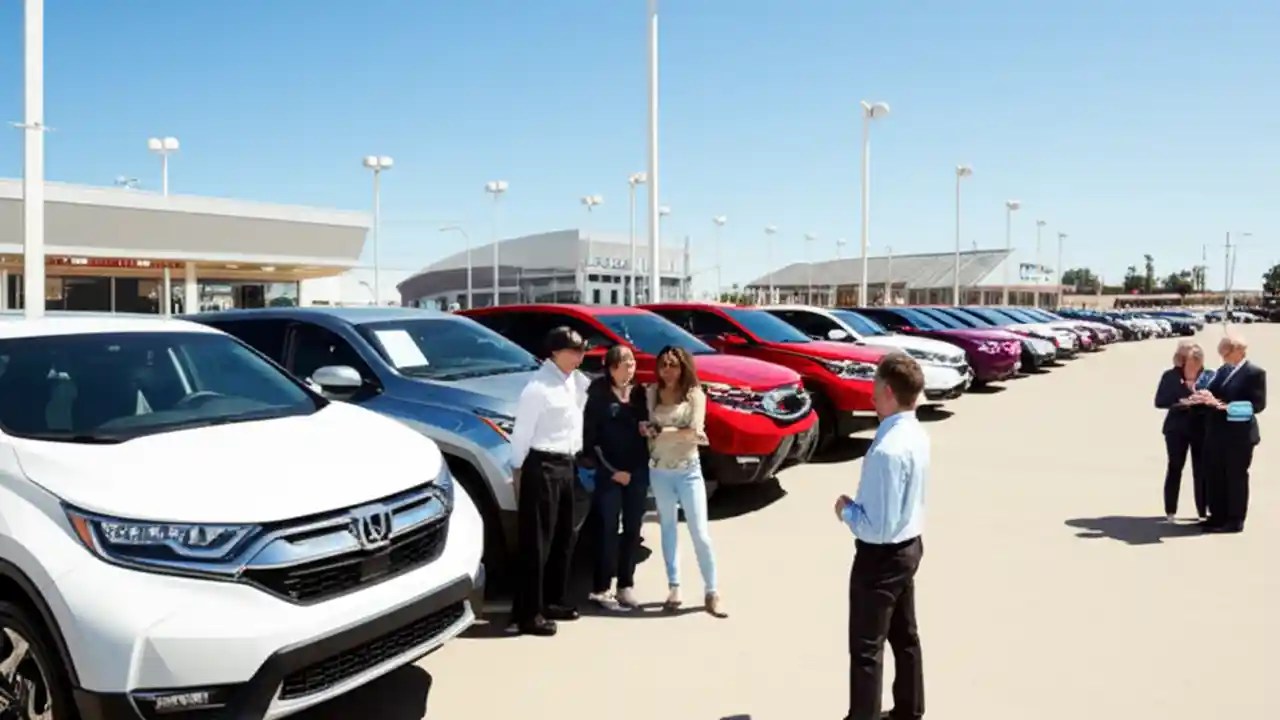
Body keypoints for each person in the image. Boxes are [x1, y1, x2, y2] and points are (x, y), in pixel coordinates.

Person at [835, 352, 928, 720]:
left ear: (888, 391)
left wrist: (846, 511)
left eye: (874, 388)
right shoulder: (916, 433)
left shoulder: (887, 450)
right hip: (909, 546)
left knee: (865, 648)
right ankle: (909, 709)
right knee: (905, 635)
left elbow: (877, 526)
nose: (871, 395)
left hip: (881, 556)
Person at [507, 326, 592, 636]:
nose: (580, 356)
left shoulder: (573, 382)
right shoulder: (538, 388)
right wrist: (517, 471)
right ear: (555, 352)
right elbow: (522, 435)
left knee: (564, 538)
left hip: (568, 464)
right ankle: (528, 612)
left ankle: (553, 599)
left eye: (582, 350)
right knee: (537, 543)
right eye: (574, 351)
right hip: (542, 465)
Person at [647, 345, 724, 617]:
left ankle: (712, 590)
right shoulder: (652, 392)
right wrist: (650, 430)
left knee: (700, 533)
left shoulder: (694, 395)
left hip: (688, 470)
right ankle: (674, 586)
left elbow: (694, 432)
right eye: (663, 364)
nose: (668, 370)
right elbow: (648, 428)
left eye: (673, 364)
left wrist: (661, 431)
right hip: (659, 471)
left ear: (684, 367)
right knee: (668, 529)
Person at [582, 345, 650, 611]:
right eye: (624, 363)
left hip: (637, 471)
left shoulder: (640, 394)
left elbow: (645, 423)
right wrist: (612, 472)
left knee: (633, 529)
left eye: (632, 362)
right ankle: (600, 588)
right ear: (611, 367)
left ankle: (625, 585)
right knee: (607, 530)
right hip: (609, 472)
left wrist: (645, 428)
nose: (630, 368)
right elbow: (591, 439)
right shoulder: (598, 394)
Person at [1193, 335, 1266, 534]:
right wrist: (1204, 396)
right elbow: (1214, 391)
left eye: (1226, 353)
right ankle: (1217, 515)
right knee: (1215, 475)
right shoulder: (1223, 371)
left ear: (1239, 351)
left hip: (1239, 435)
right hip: (1216, 433)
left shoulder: (1254, 373)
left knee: (1235, 477)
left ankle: (1235, 519)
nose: (1223, 358)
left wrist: (1223, 406)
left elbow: (1257, 405)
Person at [1154, 342, 1214, 521]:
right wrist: (1181, 403)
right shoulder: (1170, 376)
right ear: (1181, 361)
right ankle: (1170, 510)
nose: (1195, 366)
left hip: (1201, 428)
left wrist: (1205, 400)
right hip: (1176, 429)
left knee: (1202, 469)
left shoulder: (1209, 376)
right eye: (1191, 362)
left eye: (1198, 361)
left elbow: (1218, 398)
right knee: (1175, 467)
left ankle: (1203, 511)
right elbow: (1160, 401)